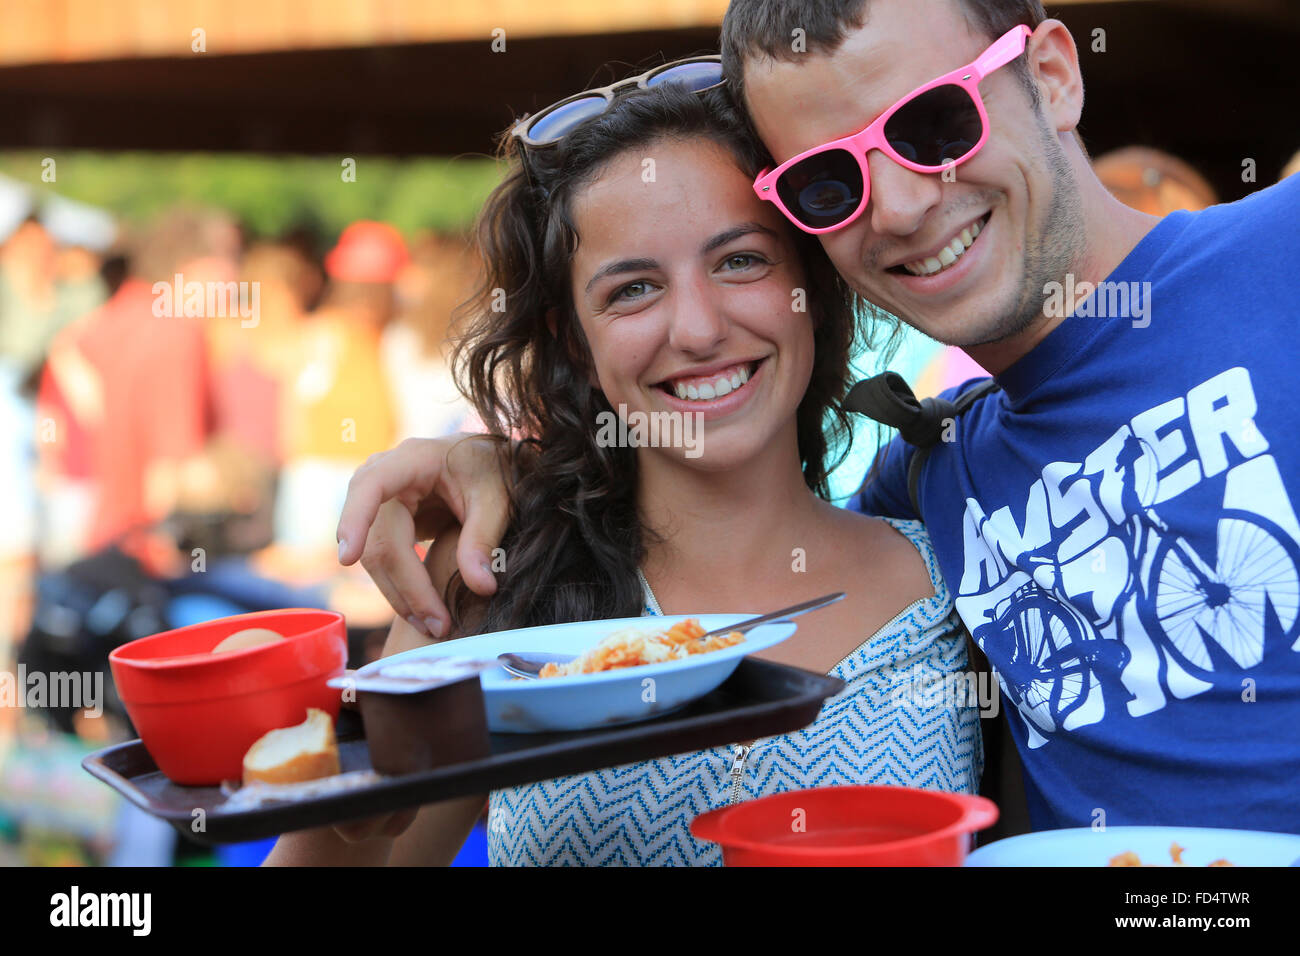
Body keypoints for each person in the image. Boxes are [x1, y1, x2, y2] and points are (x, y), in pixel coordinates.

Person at [336, 0, 1300, 836]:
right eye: (830, 182)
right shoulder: (941, 486)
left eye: (933, 123)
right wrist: (497, 473)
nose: (903, 207)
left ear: (1050, 75)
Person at [266, 78, 982, 866]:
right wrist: (350, 812)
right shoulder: (500, 580)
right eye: (634, 289)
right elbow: (358, 835)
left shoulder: (959, 576)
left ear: (807, 282)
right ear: (574, 341)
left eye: (741, 260)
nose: (699, 328)